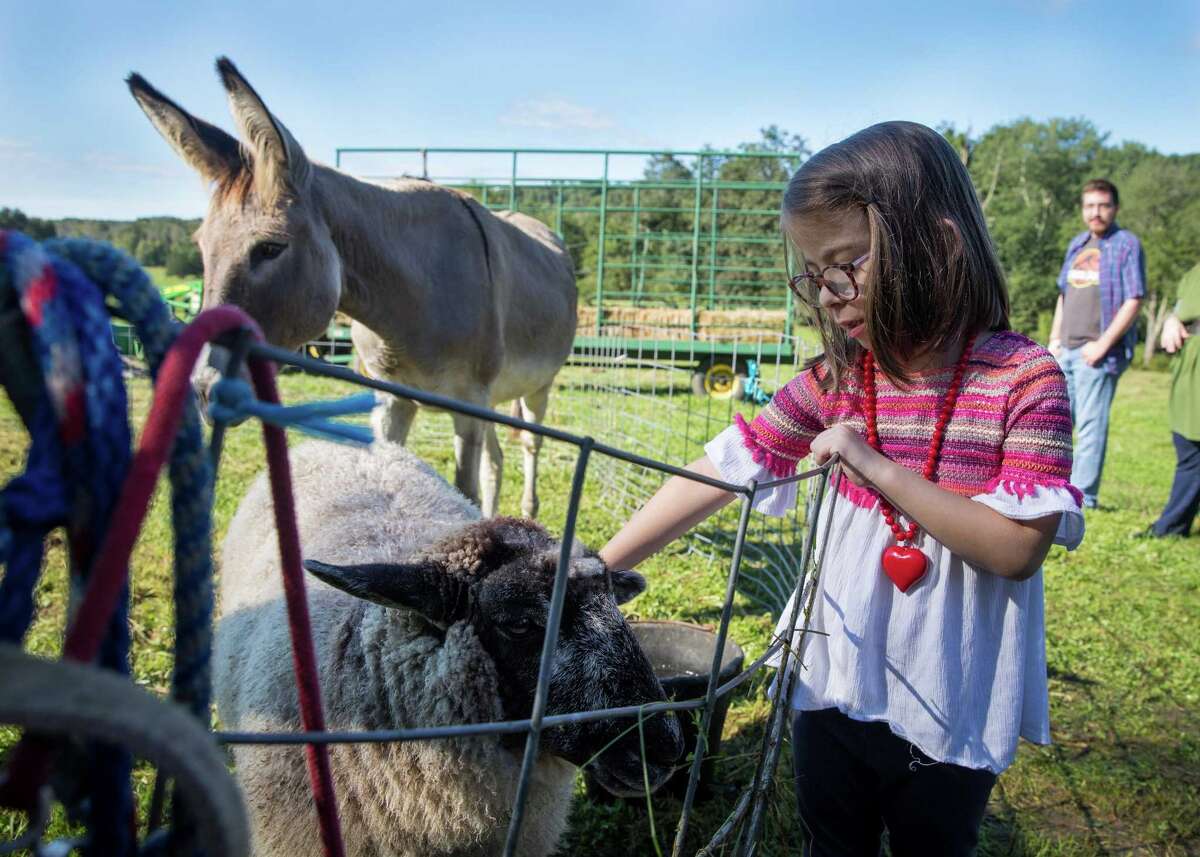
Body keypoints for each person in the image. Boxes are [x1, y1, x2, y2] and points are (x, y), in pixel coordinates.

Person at [600, 122, 1085, 857]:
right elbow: (730, 464)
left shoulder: (1026, 380)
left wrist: (879, 468)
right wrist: (598, 570)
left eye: (845, 265)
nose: (827, 295)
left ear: (939, 244)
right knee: (832, 838)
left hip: (947, 691)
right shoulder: (839, 380)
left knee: (934, 842)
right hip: (833, 674)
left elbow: (1017, 547)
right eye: (813, 272)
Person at [1048, 179, 1145, 509]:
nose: (1096, 212)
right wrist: (1054, 339)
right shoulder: (1077, 245)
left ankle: (1084, 497)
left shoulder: (1125, 245)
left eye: (1103, 205)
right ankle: (1053, 489)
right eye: (1090, 206)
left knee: (1090, 426)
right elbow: (1064, 294)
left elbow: (1134, 298)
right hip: (1067, 349)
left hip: (1096, 353)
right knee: (1056, 423)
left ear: (1115, 208)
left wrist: (1102, 345)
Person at [1146, 261, 1200, 536]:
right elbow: (1182, 309)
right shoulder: (1193, 273)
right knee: (1189, 445)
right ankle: (1174, 524)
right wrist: (1172, 320)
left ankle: (1171, 526)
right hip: (1190, 364)